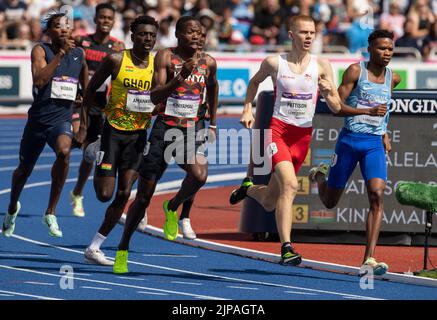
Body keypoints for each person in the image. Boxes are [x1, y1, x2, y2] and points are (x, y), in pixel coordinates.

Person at [228, 15, 387, 266]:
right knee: (290, 185)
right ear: (291, 35)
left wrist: (327, 94)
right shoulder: (274, 62)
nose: (309, 37)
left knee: (270, 200)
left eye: (312, 33)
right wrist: (247, 108)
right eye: (303, 32)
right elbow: (254, 82)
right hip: (278, 132)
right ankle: (287, 248)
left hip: (302, 137)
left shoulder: (322, 65)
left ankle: (247, 189)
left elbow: (336, 106)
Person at [113, 16, 218, 274]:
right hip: (164, 130)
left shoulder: (209, 62)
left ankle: (172, 206)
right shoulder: (164, 57)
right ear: (179, 34)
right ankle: (123, 248)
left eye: (201, 33)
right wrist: (180, 76)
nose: (197, 37)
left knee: (199, 175)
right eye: (192, 32)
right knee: (144, 197)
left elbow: (214, 90)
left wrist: (213, 123)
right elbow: (155, 95)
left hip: (192, 129)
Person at [308, 29, 401, 275]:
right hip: (349, 141)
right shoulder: (355, 71)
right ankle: (319, 176)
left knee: (377, 194)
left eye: (390, 49)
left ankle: (368, 258)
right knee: (329, 202)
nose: (386, 53)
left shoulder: (394, 78)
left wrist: (384, 133)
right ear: (370, 48)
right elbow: (336, 107)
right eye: (382, 48)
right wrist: (366, 113)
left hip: (373, 145)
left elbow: (385, 109)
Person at [75, 15, 158, 265]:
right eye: (143, 34)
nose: (148, 39)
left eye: (152, 35)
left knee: (123, 193)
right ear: (132, 36)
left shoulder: (157, 65)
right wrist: (85, 125)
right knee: (104, 194)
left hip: (138, 135)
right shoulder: (116, 60)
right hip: (112, 133)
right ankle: (97, 149)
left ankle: (94, 247)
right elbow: (90, 90)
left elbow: (161, 96)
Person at [1, 11, 88, 238]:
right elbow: (39, 80)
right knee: (23, 171)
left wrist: (84, 124)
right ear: (49, 30)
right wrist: (59, 55)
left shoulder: (80, 54)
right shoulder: (41, 50)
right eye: (57, 26)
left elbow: (86, 94)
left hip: (62, 120)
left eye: (66, 26)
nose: (63, 29)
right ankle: (12, 208)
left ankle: (50, 212)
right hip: (38, 121)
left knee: (64, 152)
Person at [69, 2, 124, 218]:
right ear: (95, 19)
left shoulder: (117, 47)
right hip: (80, 102)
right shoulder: (82, 42)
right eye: (102, 17)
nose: (105, 21)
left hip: (101, 106)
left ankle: (77, 193)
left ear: (113, 21)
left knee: (89, 155)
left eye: (109, 18)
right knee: (72, 140)